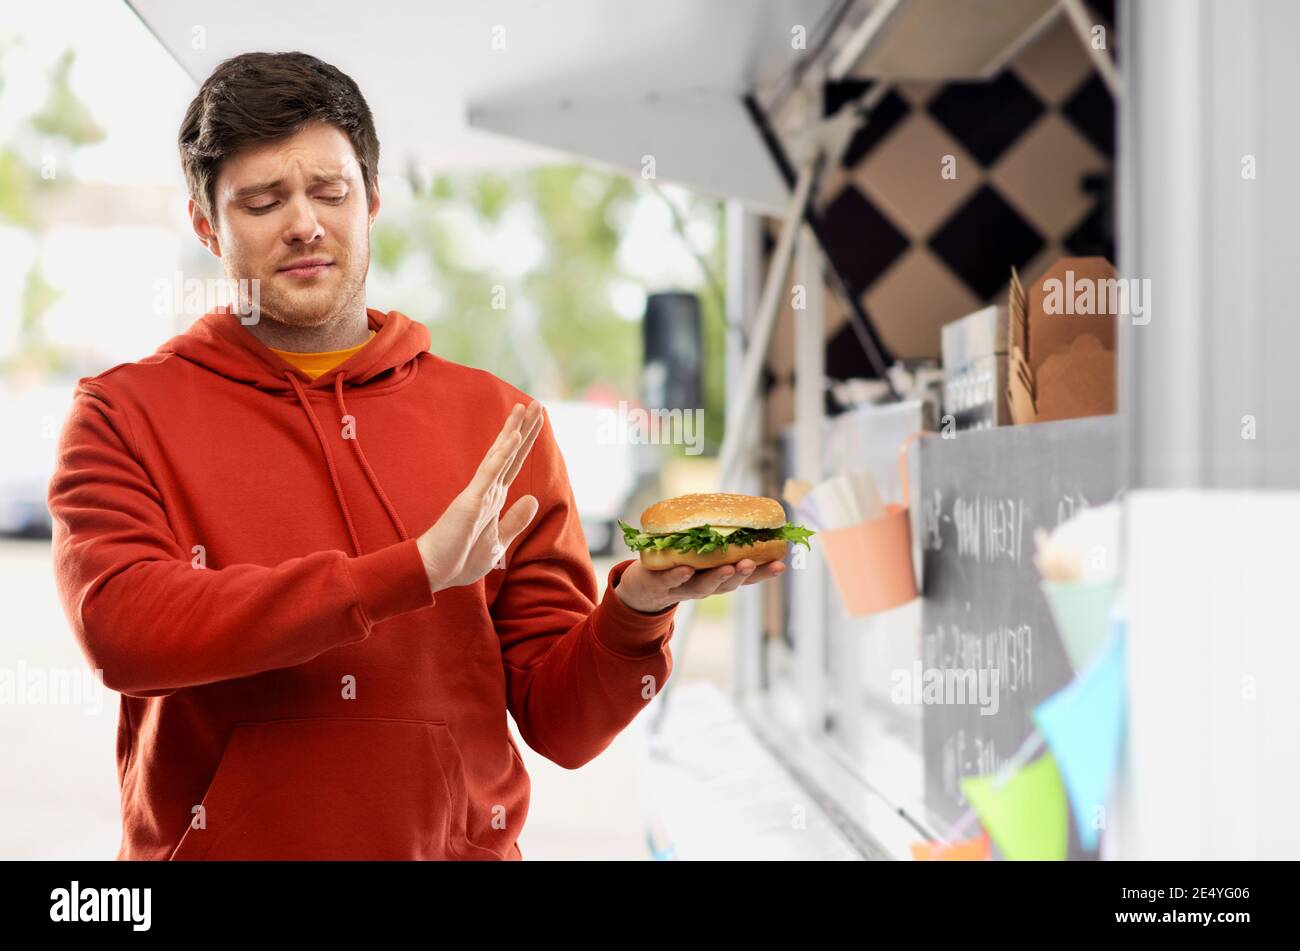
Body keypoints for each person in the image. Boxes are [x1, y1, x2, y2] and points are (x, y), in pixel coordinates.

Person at [46, 51, 784, 860]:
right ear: (204, 224)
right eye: (263, 200)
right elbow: (126, 632)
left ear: (373, 203)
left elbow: (564, 728)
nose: (304, 223)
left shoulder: (500, 422)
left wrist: (639, 610)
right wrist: (412, 571)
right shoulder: (123, 412)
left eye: (331, 192)